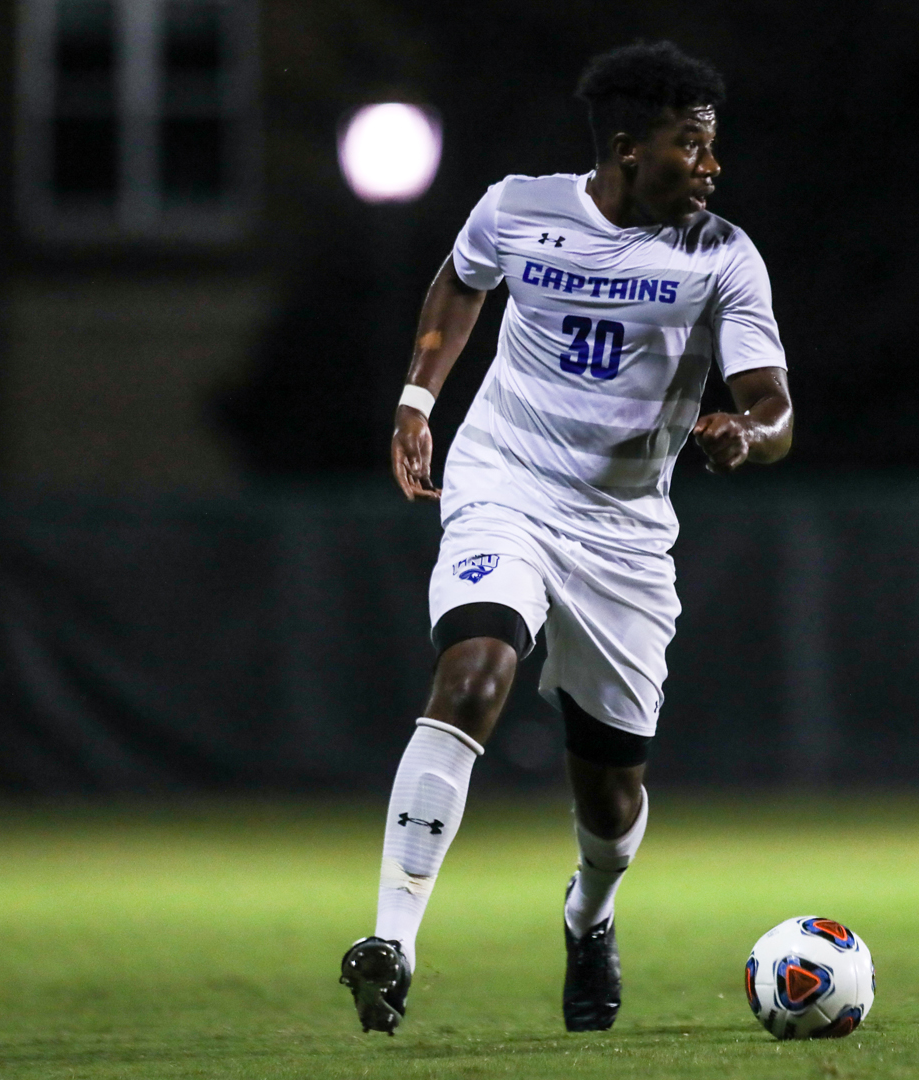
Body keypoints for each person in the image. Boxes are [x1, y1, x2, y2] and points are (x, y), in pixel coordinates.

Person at [338, 40, 793, 1036]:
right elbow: (460, 282)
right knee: (473, 672)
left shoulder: (721, 254)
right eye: (693, 146)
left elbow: (774, 405)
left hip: (625, 533)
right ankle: (390, 943)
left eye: (714, 148)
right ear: (629, 149)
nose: (711, 167)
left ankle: (590, 914)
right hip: (504, 485)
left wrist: (742, 434)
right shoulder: (518, 207)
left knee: (613, 794)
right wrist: (418, 400)